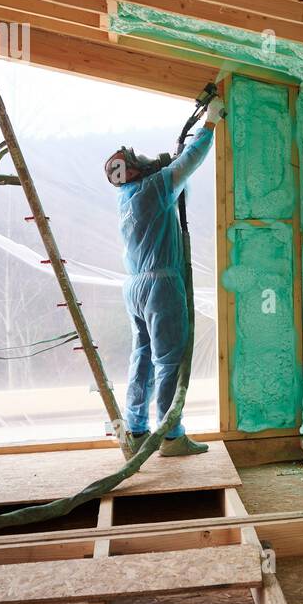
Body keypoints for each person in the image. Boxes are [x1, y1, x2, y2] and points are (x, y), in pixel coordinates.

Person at [103, 93, 225, 457]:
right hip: (160, 286)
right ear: (133, 168)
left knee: (142, 356)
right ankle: (171, 436)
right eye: (136, 157)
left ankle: (137, 428)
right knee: (169, 360)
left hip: (136, 287)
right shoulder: (154, 188)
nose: (142, 158)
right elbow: (188, 163)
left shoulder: (126, 198)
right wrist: (211, 123)